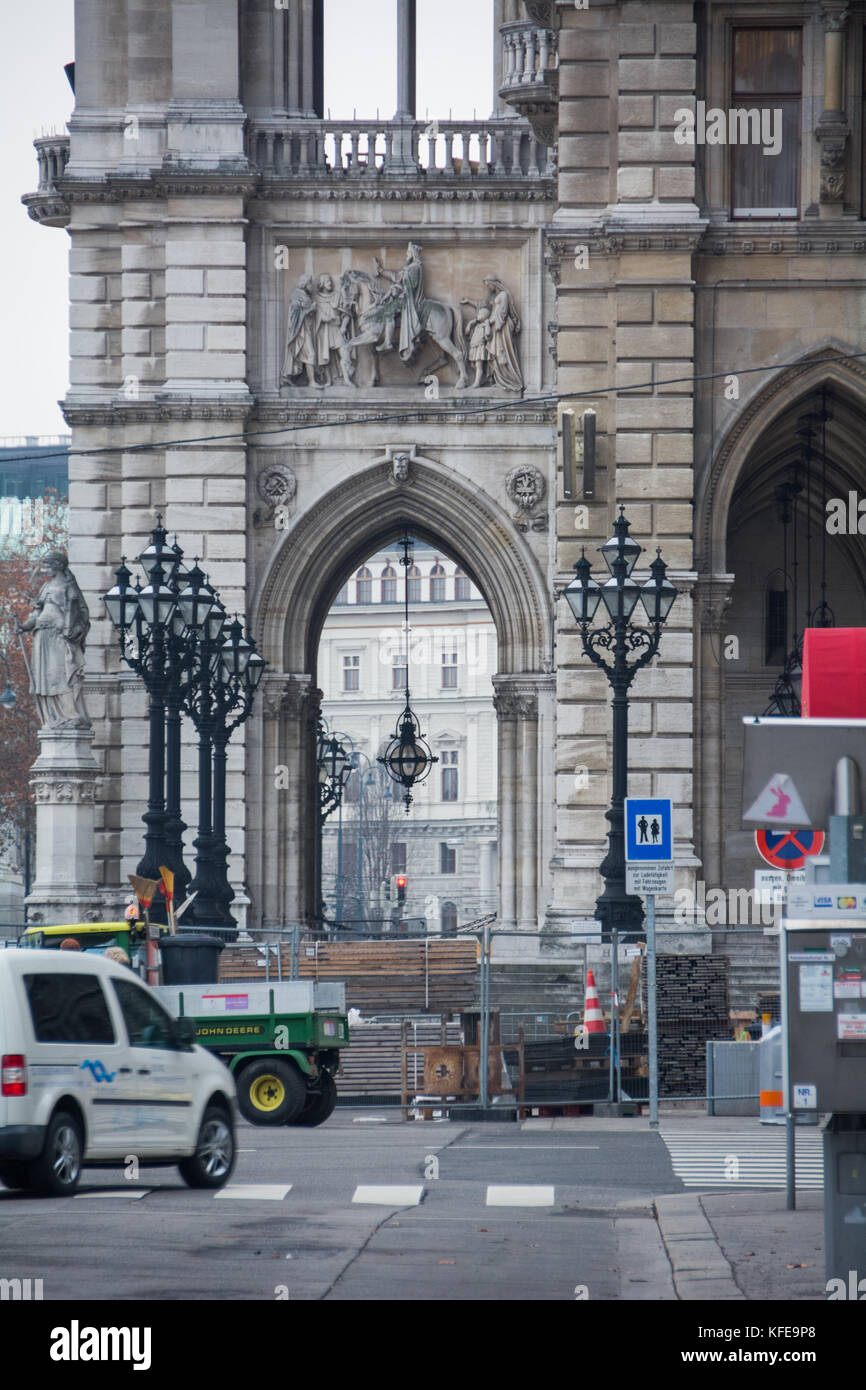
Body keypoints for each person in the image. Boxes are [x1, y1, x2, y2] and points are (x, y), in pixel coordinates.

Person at [17, 550, 90, 729]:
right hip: (42, 637)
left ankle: (71, 714)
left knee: (61, 675)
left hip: (59, 638)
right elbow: (37, 612)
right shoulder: (46, 587)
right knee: (46, 678)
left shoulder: (70, 587)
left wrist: (73, 631)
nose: (45, 569)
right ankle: (53, 716)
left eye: (48, 566)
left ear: (58, 566)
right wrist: (25, 626)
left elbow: (81, 615)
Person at [280, 274, 317, 386]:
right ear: (305, 284)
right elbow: (294, 313)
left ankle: (289, 377)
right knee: (311, 354)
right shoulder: (297, 295)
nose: (312, 286)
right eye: (310, 283)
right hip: (300, 331)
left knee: (309, 354)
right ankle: (311, 381)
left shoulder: (305, 295)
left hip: (307, 329)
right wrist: (310, 308)